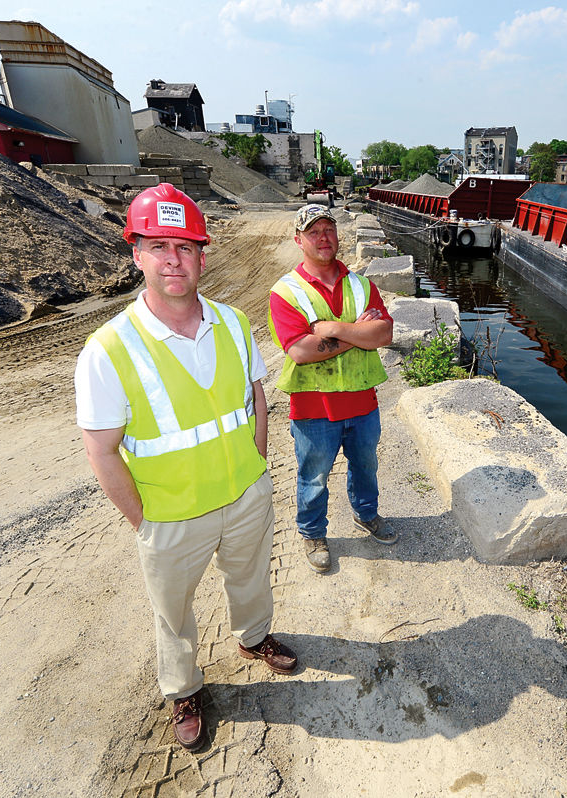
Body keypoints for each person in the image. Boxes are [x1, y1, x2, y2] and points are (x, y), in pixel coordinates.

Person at [75, 183, 296, 751]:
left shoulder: (233, 323)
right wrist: (144, 522)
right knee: (172, 612)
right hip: (170, 517)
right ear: (136, 255)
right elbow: (101, 450)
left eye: (184, 246)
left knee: (250, 579)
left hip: (245, 495)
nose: (172, 259)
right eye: (157, 246)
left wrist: (257, 466)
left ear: (203, 253)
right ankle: (183, 688)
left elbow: (257, 400)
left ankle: (253, 638)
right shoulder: (108, 348)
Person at [268, 204, 395, 574]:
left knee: (366, 466)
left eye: (329, 229)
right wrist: (359, 332)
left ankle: (366, 515)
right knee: (314, 475)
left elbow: (384, 334)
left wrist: (334, 329)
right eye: (313, 231)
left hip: (362, 400)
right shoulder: (285, 292)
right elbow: (301, 350)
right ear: (298, 240)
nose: (324, 237)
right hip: (313, 408)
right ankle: (312, 532)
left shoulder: (361, 284)